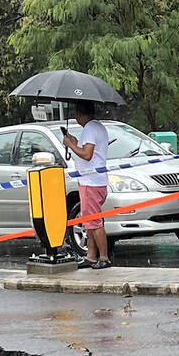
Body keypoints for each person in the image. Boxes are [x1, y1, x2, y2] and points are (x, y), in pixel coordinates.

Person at [61, 100, 111, 270]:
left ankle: (103, 257)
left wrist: (70, 145)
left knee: (94, 221)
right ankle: (91, 256)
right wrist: (75, 142)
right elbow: (90, 151)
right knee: (89, 221)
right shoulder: (97, 127)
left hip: (91, 182)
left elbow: (87, 154)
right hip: (95, 180)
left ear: (80, 114)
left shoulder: (90, 128)